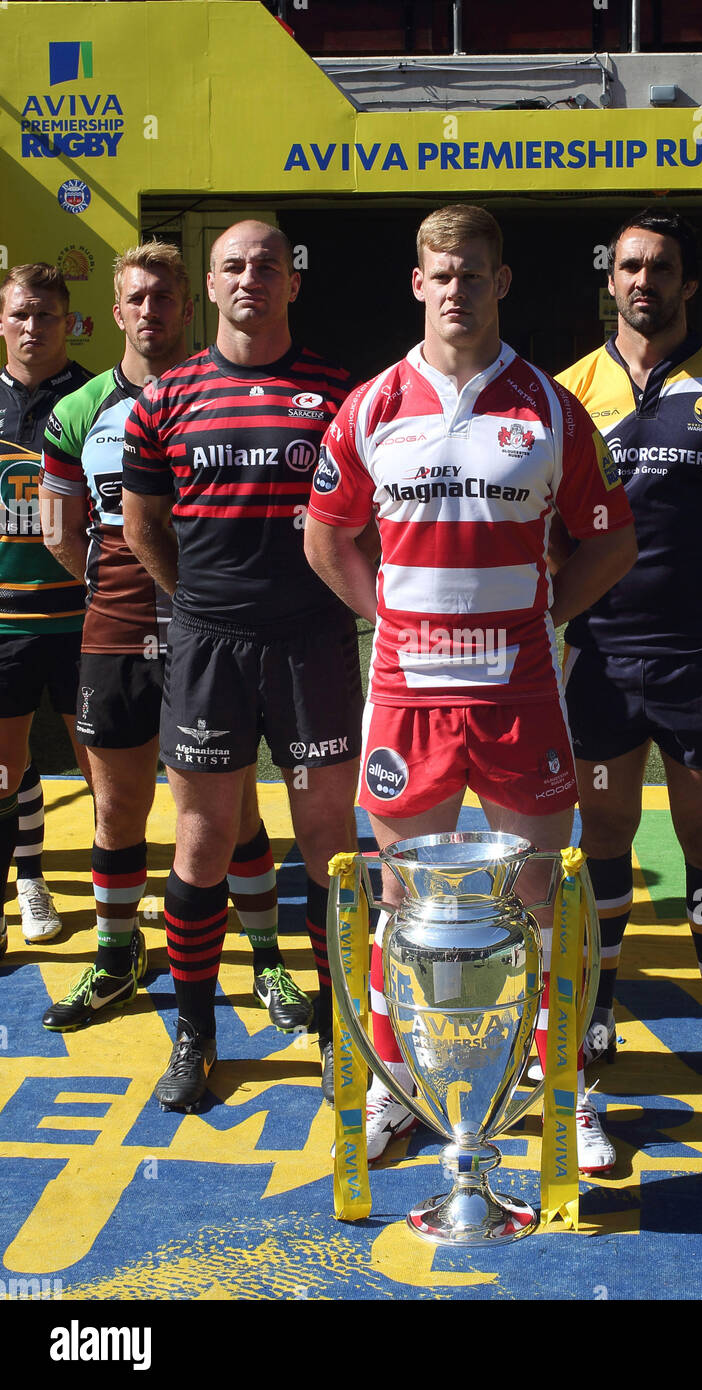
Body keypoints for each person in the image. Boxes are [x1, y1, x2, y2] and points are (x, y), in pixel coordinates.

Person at [304, 203, 637, 1170]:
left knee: (539, 903)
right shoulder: (370, 406)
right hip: (406, 700)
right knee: (407, 907)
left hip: (521, 695)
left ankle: (563, 1083)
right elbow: (325, 536)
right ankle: (402, 1090)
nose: (458, 289)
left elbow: (613, 537)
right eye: (441, 275)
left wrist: (542, 615)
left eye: (475, 273)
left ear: (502, 283)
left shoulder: (549, 404)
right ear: (418, 285)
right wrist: (391, 621)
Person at [556, 208, 702, 1126]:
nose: (643, 281)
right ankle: (598, 1010)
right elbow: (547, 526)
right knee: (604, 836)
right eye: (628, 266)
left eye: (660, 267)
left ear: (688, 283)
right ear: (609, 279)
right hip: (600, 656)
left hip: (700, 657)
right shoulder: (568, 389)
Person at [120, 220, 362, 1110]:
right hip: (209, 646)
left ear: (292, 281)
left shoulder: (343, 392)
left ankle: (345, 1032)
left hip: (315, 647)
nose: (250, 277)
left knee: (330, 845)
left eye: (267, 263)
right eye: (233, 266)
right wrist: (203, 603)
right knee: (203, 839)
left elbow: (363, 520)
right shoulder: (165, 397)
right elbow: (141, 524)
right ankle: (195, 1028)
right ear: (210, 288)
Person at [38, 241, 295, 1037]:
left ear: (190, 307)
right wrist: (119, 584)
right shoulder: (78, 411)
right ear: (115, 312)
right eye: (136, 299)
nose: (151, 312)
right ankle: (118, 956)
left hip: (211, 636)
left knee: (231, 812)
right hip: (115, 630)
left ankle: (268, 958)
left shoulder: (223, 396)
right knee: (115, 811)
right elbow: (59, 530)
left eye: (164, 299)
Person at [0, 263, 94, 955]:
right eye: (21, 315)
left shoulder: (95, 399)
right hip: (6, 620)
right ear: (3, 321)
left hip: (88, 617)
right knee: (5, 767)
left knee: (106, 772)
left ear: (69, 322)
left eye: (46, 315)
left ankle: (115, 890)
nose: (33, 328)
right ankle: (30, 877)